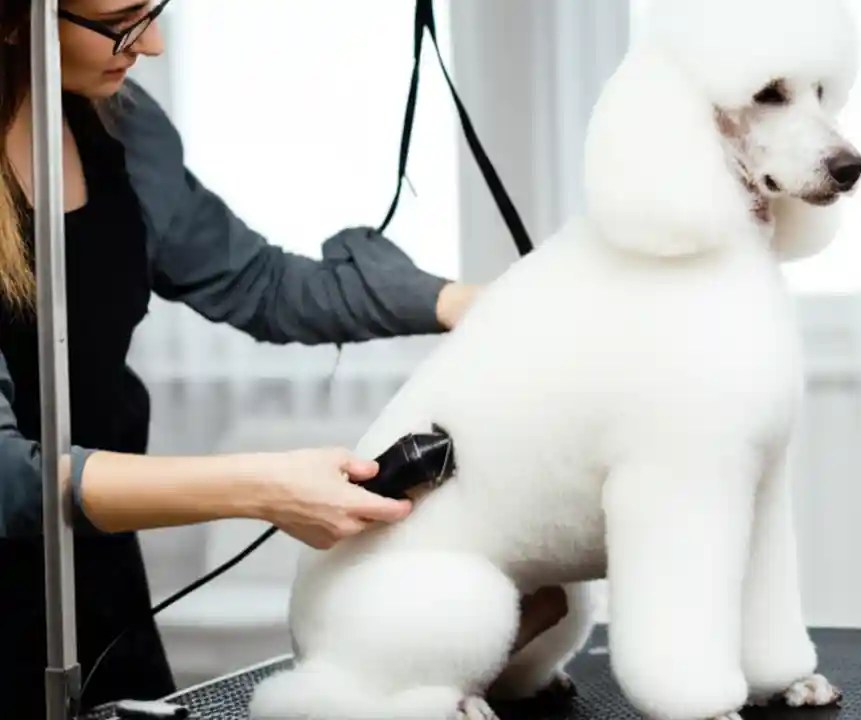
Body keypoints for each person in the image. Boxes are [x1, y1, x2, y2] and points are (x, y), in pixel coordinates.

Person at [0, 1, 566, 715]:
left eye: (155, 8)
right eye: (124, 19)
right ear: (14, 19)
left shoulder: (122, 126)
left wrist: (462, 303)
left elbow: (258, 283)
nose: (154, 45)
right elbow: (7, 477)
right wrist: (262, 488)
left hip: (99, 573)